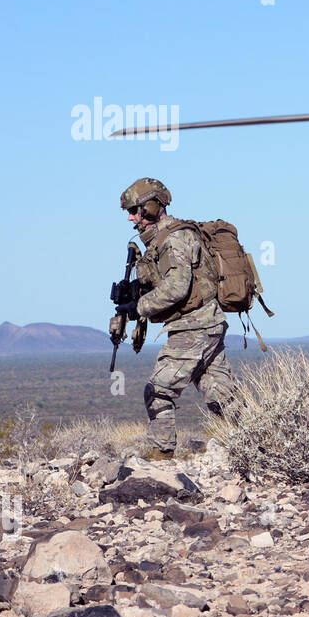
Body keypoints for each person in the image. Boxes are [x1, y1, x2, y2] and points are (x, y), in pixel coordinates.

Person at [114, 178, 239, 457]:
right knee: (222, 394)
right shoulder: (162, 240)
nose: (131, 218)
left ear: (151, 207)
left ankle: (162, 459)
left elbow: (177, 287)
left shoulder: (175, 238)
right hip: (205, 323)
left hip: (195, 326)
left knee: (158, 391)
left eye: (134, 210)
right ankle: (259, 446)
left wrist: (139, 308)